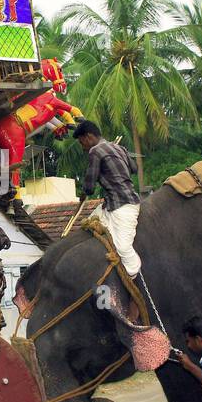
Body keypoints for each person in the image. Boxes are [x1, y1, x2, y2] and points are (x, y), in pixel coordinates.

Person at [72, 120, 144, 286]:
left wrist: (83, 193)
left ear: (89, 137)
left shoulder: (95, 151)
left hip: (124, 206)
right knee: (91, 223)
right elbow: (134, 168)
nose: (83, 147)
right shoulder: (119, 148)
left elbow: (89, 187)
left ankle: (137, 288)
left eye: (82, 143)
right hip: (112, 205)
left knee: (123, 248)